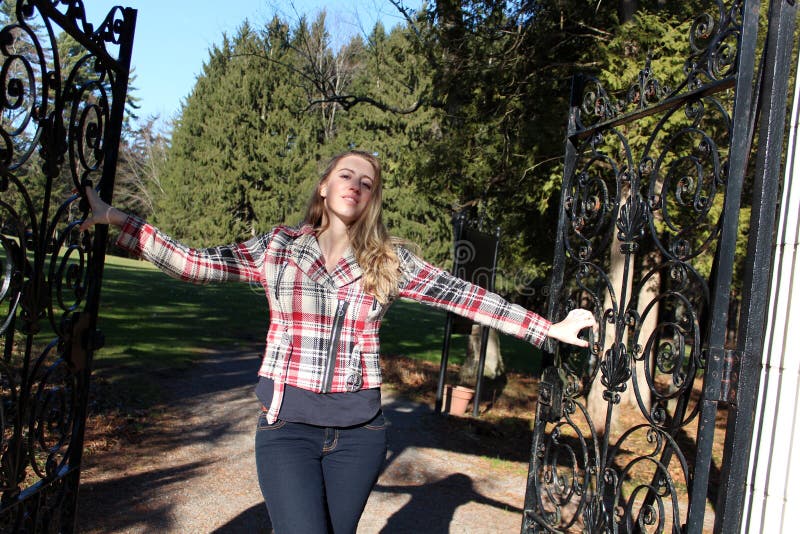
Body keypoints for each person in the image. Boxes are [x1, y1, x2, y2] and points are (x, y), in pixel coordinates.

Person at [80, 150, 598, 534]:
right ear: (325, 186)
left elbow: (466, 297)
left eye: (367, 182)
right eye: (346, 175)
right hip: (288, 430)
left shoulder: (390, 261)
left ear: (372, 199)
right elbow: (195, 264)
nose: (355, 185)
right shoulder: (278, 247)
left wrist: (546, 329)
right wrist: (117, 220)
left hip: (360, 436)